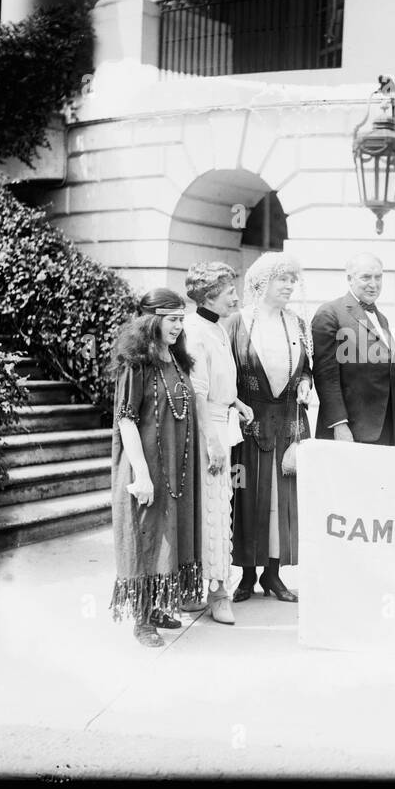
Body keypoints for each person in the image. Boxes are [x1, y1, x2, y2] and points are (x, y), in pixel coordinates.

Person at [109, 289, 202, 647]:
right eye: (172, 319)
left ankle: (160, 605)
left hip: (175, 465)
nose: (179, 326)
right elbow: (126, 420)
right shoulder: (137, 363)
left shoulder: (176, 359)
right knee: (146, 536)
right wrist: (142, 474)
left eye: (181, 319)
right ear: (152, 321)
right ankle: (142, 620)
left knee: (170, 534)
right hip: (144, 466)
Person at [223, 252, 313, 603]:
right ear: (261, 283)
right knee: (248, 495)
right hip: (249, 422)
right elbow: (223, 374)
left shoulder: (298, 324)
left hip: (290, 422)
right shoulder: (236, 323)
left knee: (283, 499)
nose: (290, 285)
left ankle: (273, 575)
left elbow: (307, 369)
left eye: (293, 279)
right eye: (283, 279)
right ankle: (246, 574)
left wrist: (306, 382)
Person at [183, 261, 256, 625]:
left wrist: (237, 402)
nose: (237, 296)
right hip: (206, 430)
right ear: (210, 292)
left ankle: (210, 589)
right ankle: (217, 593)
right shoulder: (194, 331)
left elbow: (220, 382)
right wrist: (211, 442)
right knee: (211, 512)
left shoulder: (217, 329)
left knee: (218, 508)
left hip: (221, 422)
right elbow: (197, 392)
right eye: (230, 290)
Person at [311, 253, 395, 446]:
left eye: (378, 277)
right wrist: (339, 425)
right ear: (349, 279)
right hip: (351, 431)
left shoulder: (381, 318)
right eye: (366, 277)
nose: (374, 283)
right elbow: (325, 376)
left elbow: (391, 365)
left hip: (385, 429)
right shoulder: (330, 313)